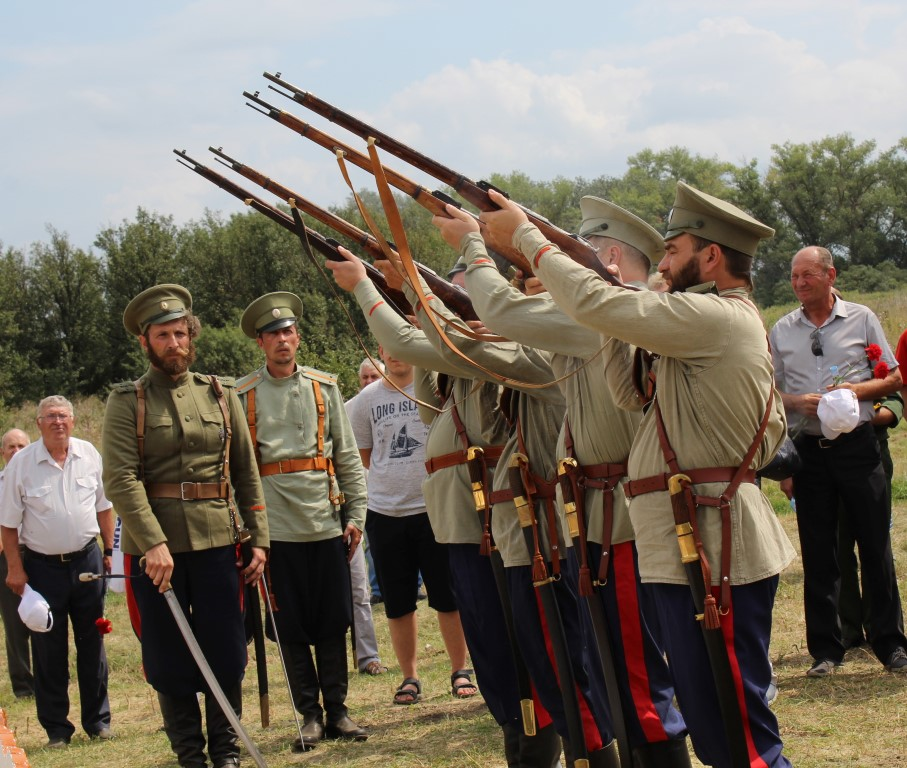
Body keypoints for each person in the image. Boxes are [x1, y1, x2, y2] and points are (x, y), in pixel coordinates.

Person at [454, 181, 796, 767]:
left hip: (716, 545)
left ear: (710, 256)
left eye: (674, 250)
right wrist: (609, 296)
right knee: (714, 730)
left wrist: (531, 243)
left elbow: (597, 311)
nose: (663, 264)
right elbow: (627, 391)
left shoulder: (717, 317)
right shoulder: (687, 321)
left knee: (741, 733)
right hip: (684, 541)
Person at [433, 196, 691, 767]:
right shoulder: (612, 317)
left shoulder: (613, 315)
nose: (552, 273)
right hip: (599, 519)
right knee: (615, 678)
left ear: (612, 263)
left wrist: (478, 243)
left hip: (619, 516)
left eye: (573, 258)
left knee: (639, 687)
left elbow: (497, 313)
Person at [327, 257, 565, 766]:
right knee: (492, 649)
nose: (458, 314)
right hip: (459, 517)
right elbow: (428, 378)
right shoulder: (459, 356)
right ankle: (520, 745)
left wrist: (372, 289)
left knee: (526, 650)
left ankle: (541, 746)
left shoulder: (513, 348)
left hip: (502, 517)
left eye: (466, 300)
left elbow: (416, 346)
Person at [101, 284, 268, 768]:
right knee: (168, 654)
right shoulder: (125, 401)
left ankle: (226, 751)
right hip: (155, 553)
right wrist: (152, 542)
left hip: (218, 539)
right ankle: (190, 756)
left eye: (180, 333)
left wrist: (259, 539)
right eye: (162, 335)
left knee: (226, 649)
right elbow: (121, 477)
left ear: (191, 337)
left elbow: (245, 472)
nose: (174, 343)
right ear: (145, 342)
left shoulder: (221, 393)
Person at [236, 292, 369, 749]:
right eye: (273, 334)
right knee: (289, 626)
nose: (282, 340)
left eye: (288, 332)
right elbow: (238, 470)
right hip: (275, 531)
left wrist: (358, 514)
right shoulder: (242, 396)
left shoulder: (323, 386)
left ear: (298, 336)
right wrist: (251, 532)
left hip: (326, 521)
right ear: (261, 343)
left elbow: (348, 456)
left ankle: (338, 711)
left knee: (333, 621)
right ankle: (309, 715)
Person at [770, 246, 907, 676]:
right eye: (794, 277)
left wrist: (851, 395)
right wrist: (799, 402)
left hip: (858, 448)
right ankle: (826, 651)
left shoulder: (862, 318)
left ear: (831, 275)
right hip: (810, 454)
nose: (799, 283)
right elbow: (770, 393)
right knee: (819, 551)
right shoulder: (781, 330)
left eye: (807, 275)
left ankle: (890, 644)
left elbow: (894, 377)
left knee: (874, 546)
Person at [345, 345, 476, 706]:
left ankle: (460, 670)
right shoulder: (365, 400)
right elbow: (367, 456)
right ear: (379, 352)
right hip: (385, 512)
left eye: (402, 347)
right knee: (398, 602)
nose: (396, 355)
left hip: (433, 506)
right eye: (388, 349)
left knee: (447, 596)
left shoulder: (434, 387)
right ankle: (410, 676)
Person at [1, 397, 113, 747]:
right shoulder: (22, 463)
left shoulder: (89, 454)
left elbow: (104, 507)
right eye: (50, 417)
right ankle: (57, 730)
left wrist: (110, 552)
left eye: (63, 416)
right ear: (38, 423)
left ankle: (98, 722)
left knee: (93, 642)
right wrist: (15, 571)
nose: (57, 422)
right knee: (49, 649)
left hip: (87, 562)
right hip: (42, 568)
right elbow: (7, 525)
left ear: (74, 421)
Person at [0, 428, 34, 699]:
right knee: (14, 623)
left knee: (46, 617)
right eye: (11, 447)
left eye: (22, 445)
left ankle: (51, 677)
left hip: (39, 553)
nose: (16, 451)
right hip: (6, 556)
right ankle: (23, 686)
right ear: (3, 454)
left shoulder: (38, 478)